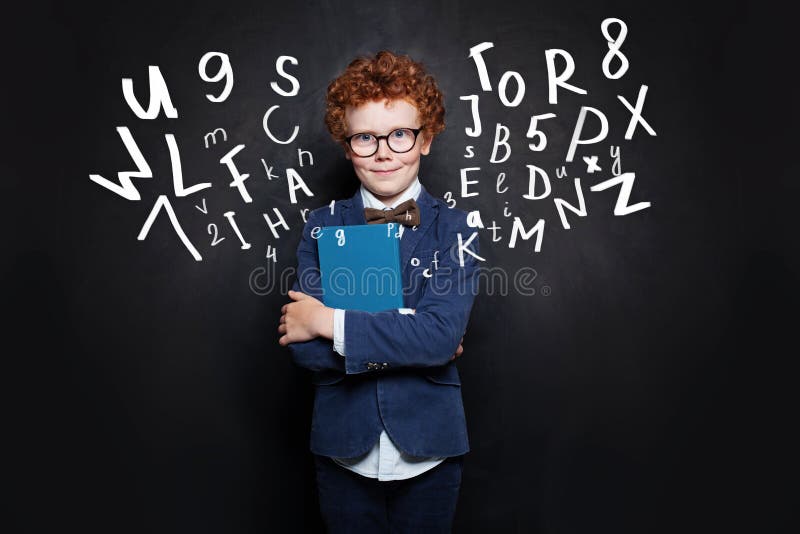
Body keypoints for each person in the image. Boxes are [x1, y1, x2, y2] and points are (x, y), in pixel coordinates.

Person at [278, 50, 481, 533]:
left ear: (425, 139)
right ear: (348, 147)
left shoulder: (457, 229)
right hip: (341, 448)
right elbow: (305, 354)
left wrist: (328, 322)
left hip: (430, 448)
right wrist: (418, 338)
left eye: (399, 135)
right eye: (365, 138)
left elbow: (438, 335)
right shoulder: (321, 226)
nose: (384, 152)